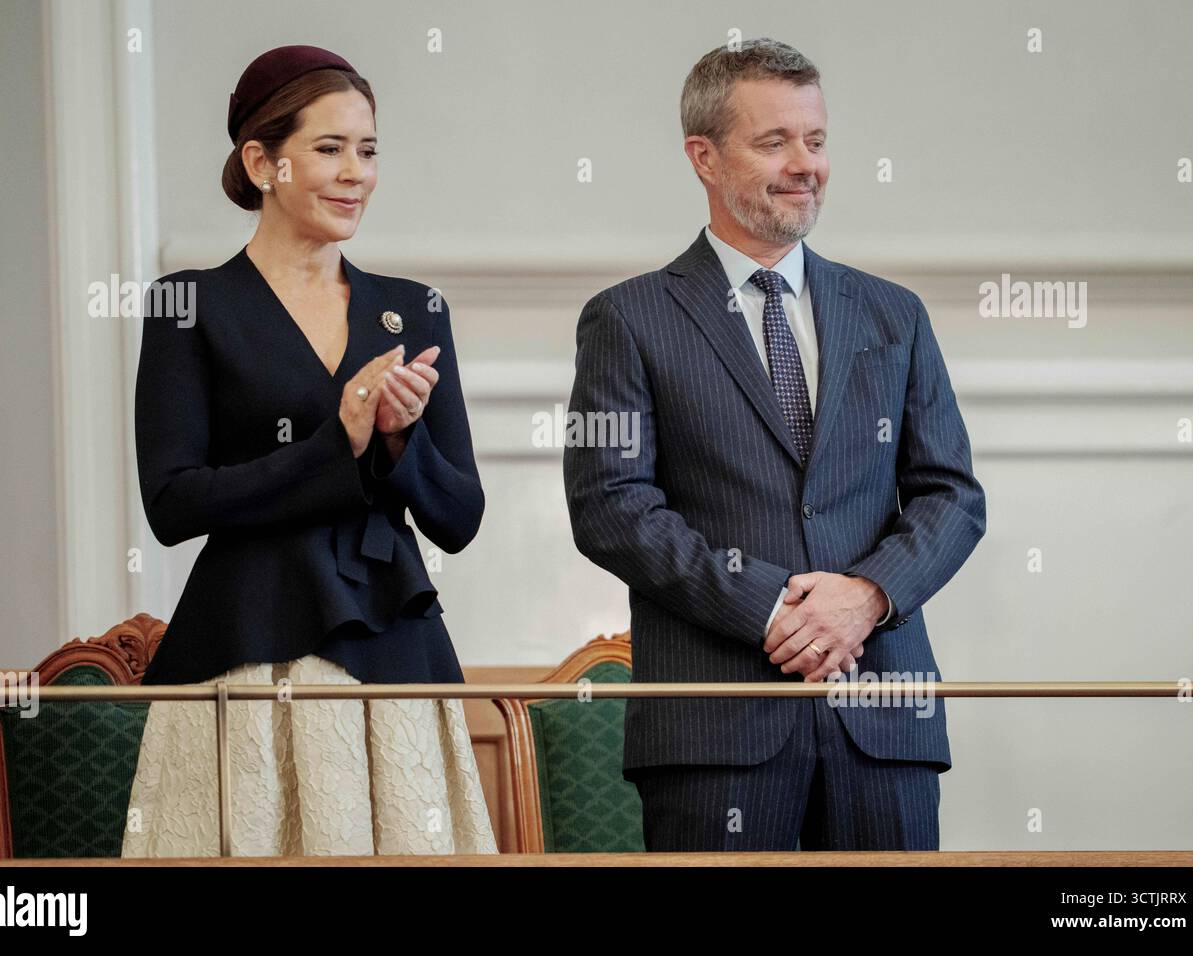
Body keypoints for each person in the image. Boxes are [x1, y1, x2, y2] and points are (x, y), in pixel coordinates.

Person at [563, 38, 986, 851]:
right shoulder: (626, 318)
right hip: (712, 733)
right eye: (774, 142)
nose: (806, 165)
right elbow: (609, 506)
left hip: (885, 721)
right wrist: (771, 608)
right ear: (704, 157)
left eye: (817, 141)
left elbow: (952, 496)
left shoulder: (892, 313)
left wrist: (862, 598)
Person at [122, 45, 496, 857]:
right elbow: (173, 503)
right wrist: (339, 443)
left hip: (395, 650)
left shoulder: (413, 309)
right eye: (328, 149)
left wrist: (399, 442)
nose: (354, 173)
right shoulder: (190, 305)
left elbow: (460, 517)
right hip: (247, 652)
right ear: (262, 162)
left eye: (367, 151)